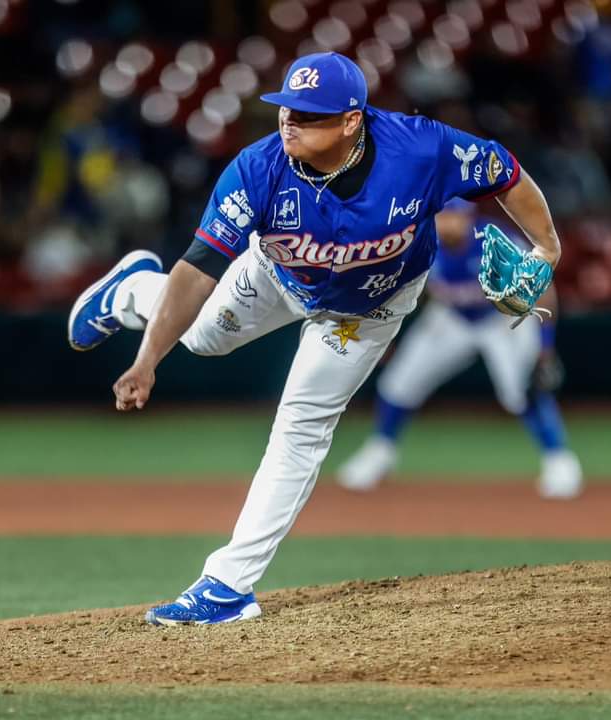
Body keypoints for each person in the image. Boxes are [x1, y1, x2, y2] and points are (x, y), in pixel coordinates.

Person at [67, 52, 563, 625]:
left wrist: (547, 246)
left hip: (368, 309)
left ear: (351, 120)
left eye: (308, 114)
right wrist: (148, 357)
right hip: (276, 276)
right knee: (201, 339)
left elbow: (505, 171)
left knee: (301, 425)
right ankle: (129, 293)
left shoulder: (421, 148)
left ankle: (228, 586)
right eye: (286, 109)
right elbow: (197, 268)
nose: (289, 122)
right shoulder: (258, 168)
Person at [336, 199, 583, 499]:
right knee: (398, 383)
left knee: (523, 389)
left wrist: (545, 347)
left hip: (503, 317)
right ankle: (381, 453)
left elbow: (541, 288)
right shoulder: (418, 243)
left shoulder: (494, 240)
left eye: (458, 216)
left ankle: (559, 460)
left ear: (469, 217)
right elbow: (396, 292)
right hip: (451, 316)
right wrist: (385, 335)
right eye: (444, 215)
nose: (451, 222)